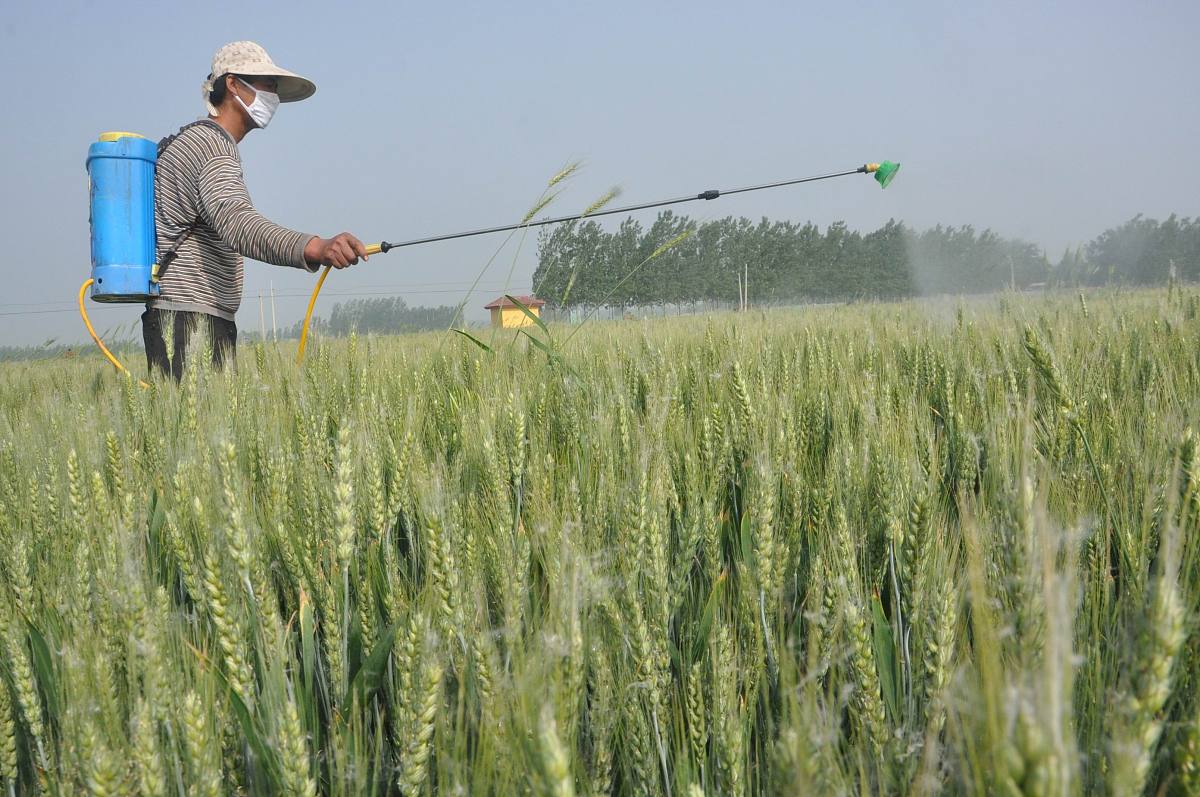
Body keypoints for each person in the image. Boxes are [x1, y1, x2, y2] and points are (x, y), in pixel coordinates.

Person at [144, 40, 368, 379]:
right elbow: (239, 225)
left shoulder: (190, 140)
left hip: (182, 318)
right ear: (233, 84)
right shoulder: (212, 147)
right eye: (267, 84)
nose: (273, 96)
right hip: (189, 323)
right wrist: (316, 247)